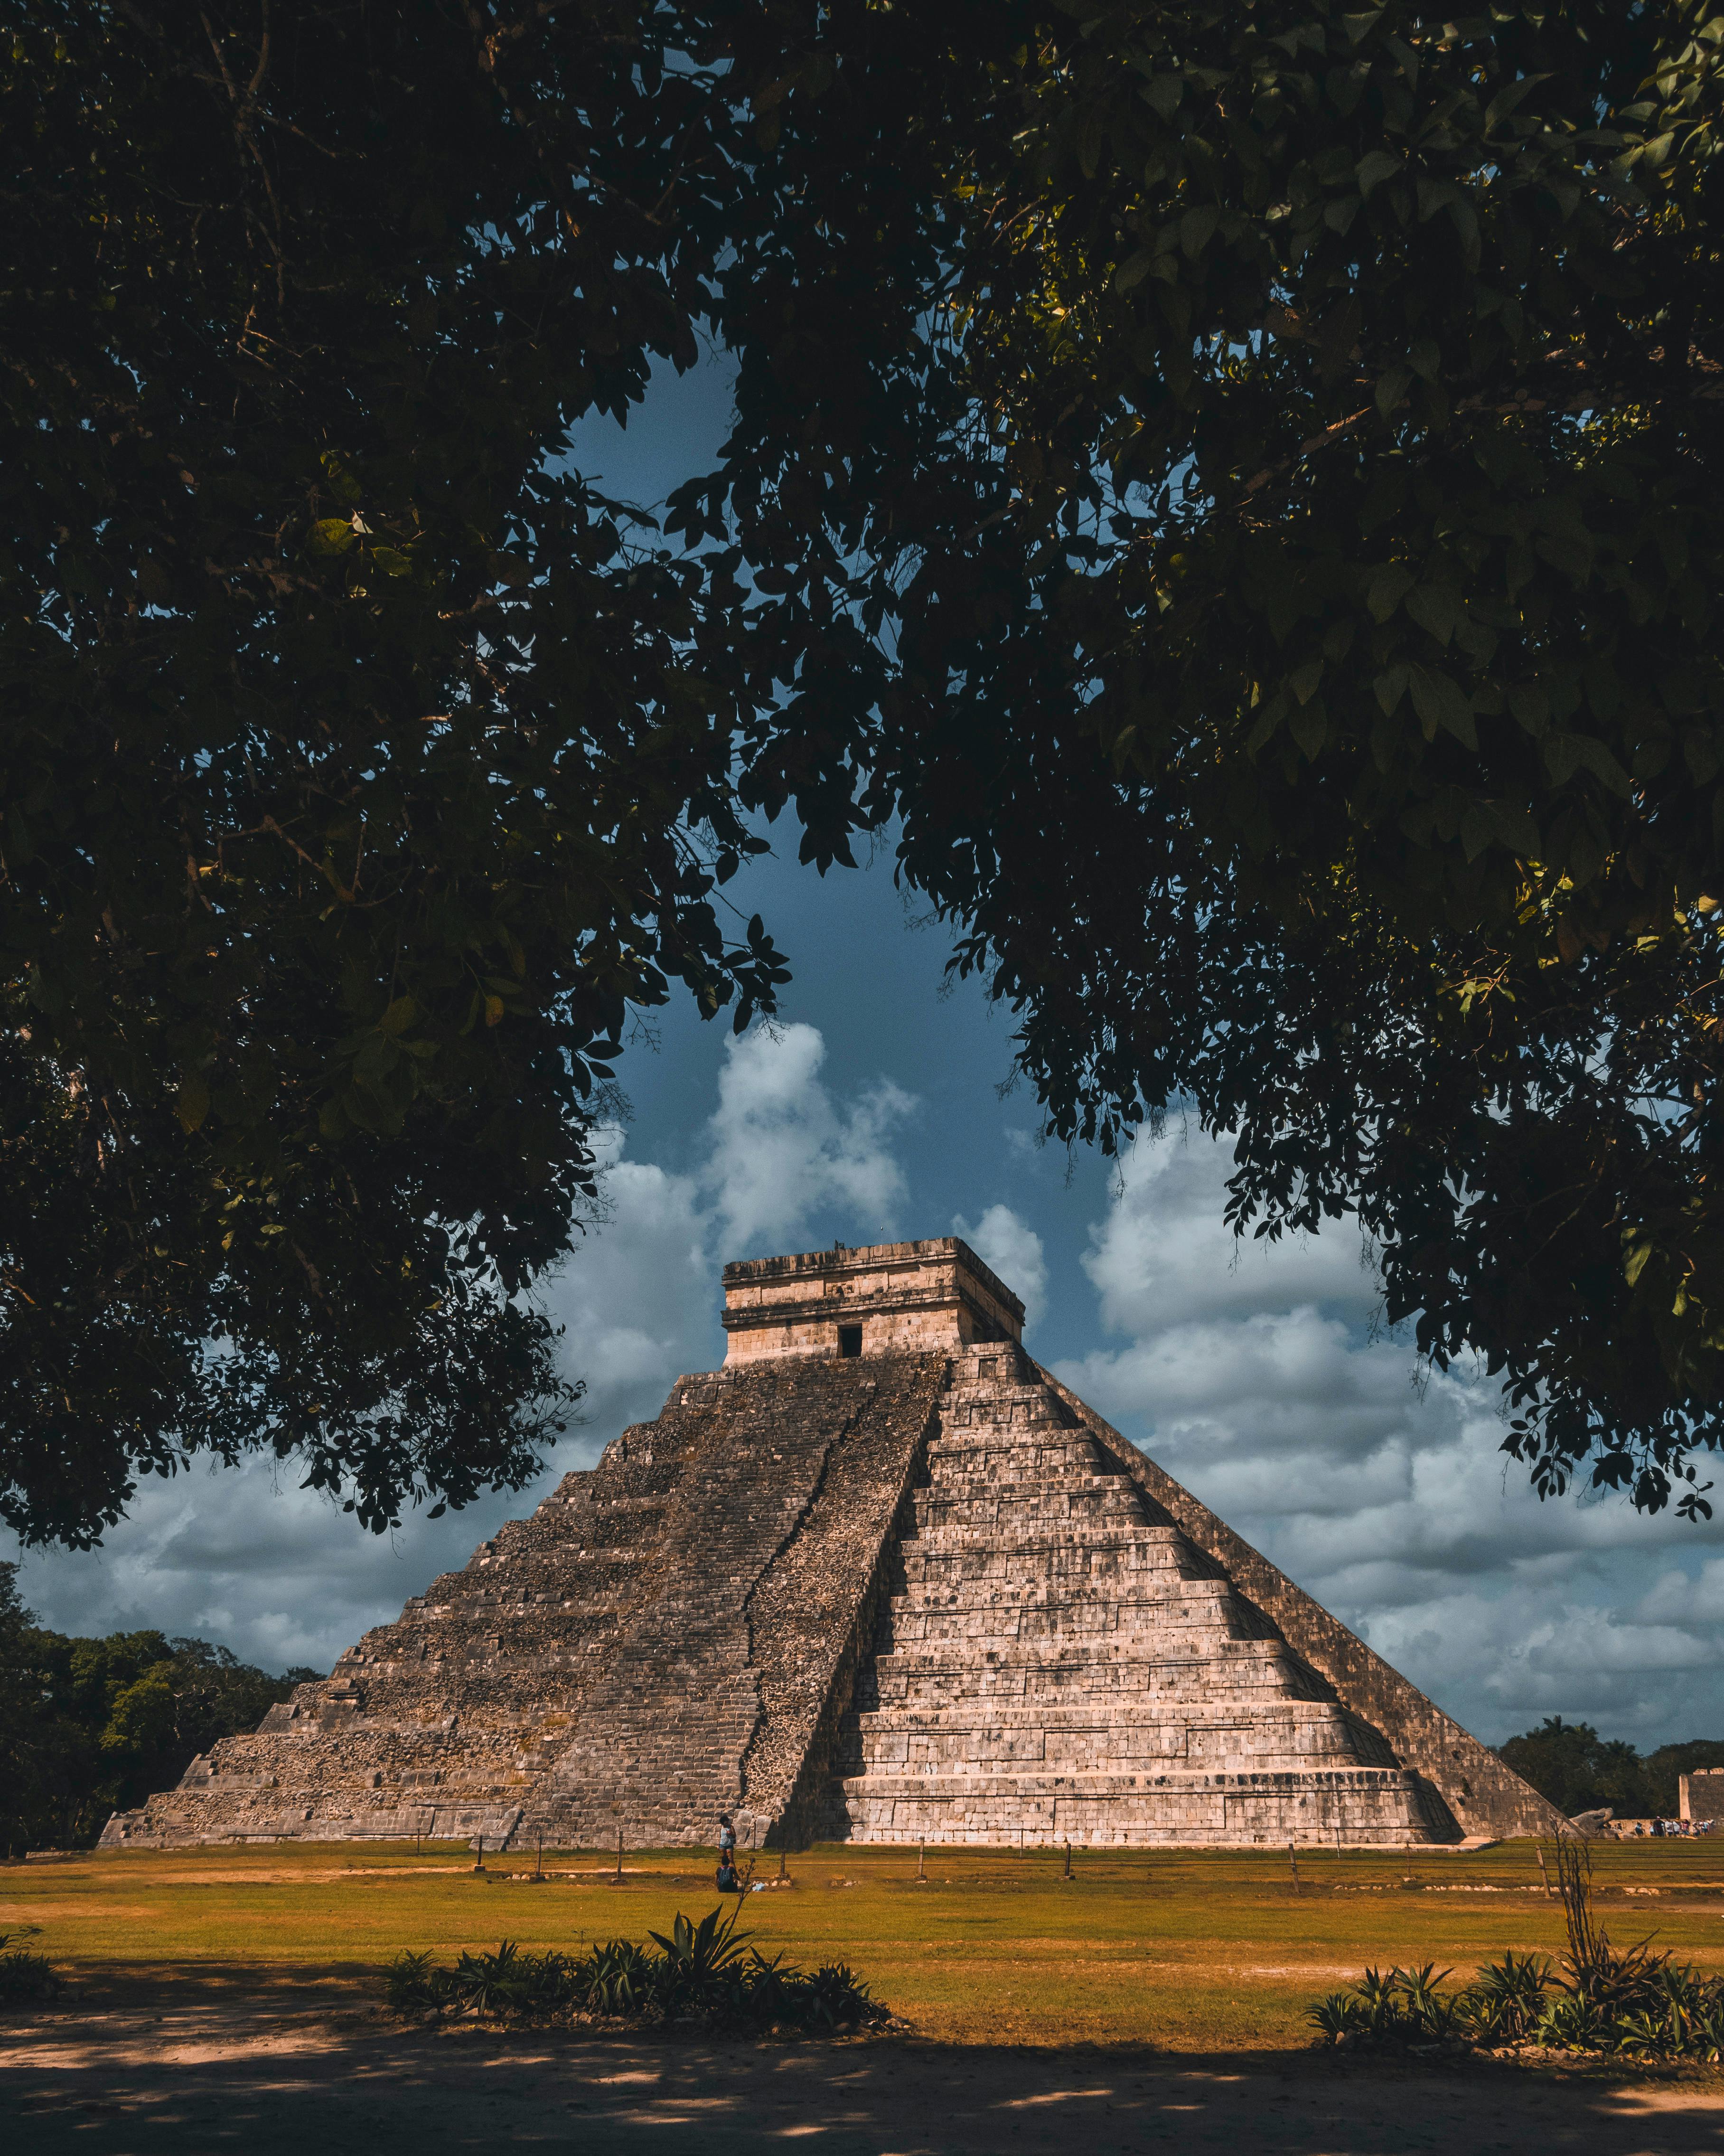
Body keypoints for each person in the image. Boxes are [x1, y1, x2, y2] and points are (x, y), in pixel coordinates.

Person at [716, 1811, 738, 1892]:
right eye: (726, 1821)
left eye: (727, 1821)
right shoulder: (721, 1828)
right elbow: (721, 1837)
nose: (727, 1822)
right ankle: (724, 1874)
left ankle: (735, 1874)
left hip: (729, 1844)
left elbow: (735, 1835)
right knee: (724, 1860)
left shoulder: (731, 1827)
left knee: (731, 1860)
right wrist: (719, 1846)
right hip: (722, 1844)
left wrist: (731, 1834)